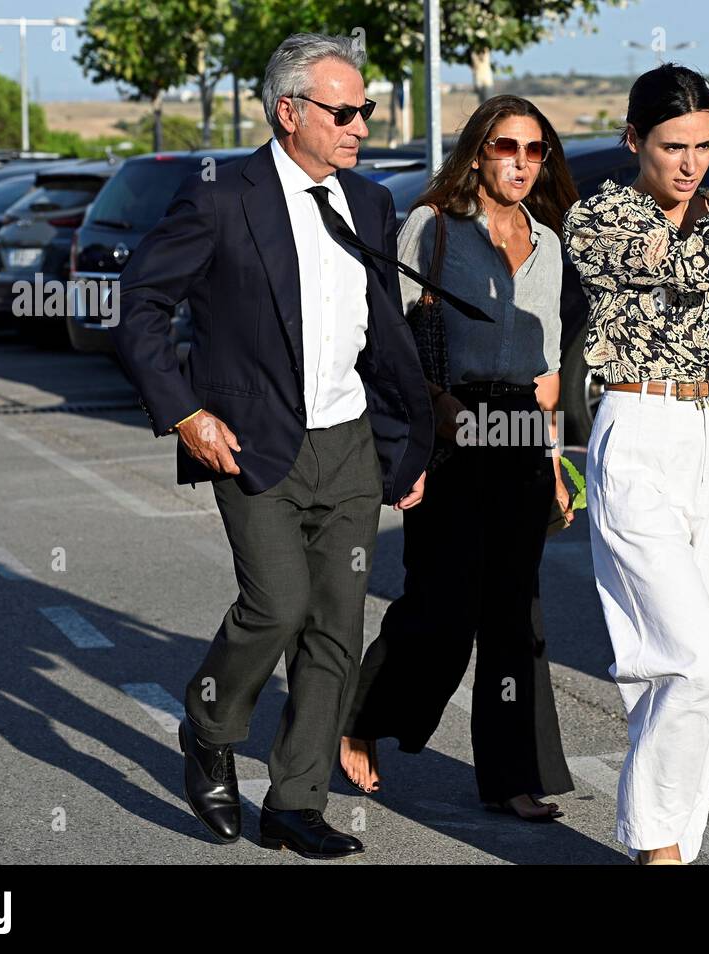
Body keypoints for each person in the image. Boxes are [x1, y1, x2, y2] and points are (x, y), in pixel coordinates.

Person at [111, 32, 434, 860]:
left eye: (365, 109)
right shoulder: (222, 195)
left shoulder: (368, 202)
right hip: (252, 442)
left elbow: (384, 334)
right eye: (344, 109)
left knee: (336, 628)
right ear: (289, 111)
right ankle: (209, 726)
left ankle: (295, 802)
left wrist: (408, 444)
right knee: (277, 605)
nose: (361, 123)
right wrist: (185, 414)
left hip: (350, 444)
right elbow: (141, 306)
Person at [562, 64, 709, 865]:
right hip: (641, 428)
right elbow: (707, 272)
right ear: (633, 141)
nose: (688, 163)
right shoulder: (596, 217)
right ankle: (656, 849)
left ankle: (673, 848)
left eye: (699, 146)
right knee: (680, 657)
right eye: (669, 147)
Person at [339, 95, 578, 821]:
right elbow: (389, 337)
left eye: (535, 150)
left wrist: (557, 460)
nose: (521, 163)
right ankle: (360, 715)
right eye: (507, 147)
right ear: (478, 151)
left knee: (515, 615)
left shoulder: (549, 243)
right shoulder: (432, 229)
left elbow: (553, 370)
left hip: (520, 434)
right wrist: (433, 409)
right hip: (450, 428)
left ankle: (513, 775)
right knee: (440, 608)